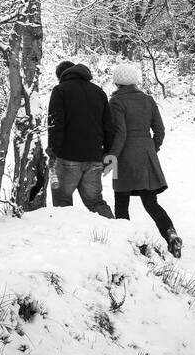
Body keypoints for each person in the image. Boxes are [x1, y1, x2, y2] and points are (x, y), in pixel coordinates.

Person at [108, 61, 182, 257]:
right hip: (147, 154)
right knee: (150, 202)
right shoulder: (148, 100)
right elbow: (160, 130)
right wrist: (152, 148)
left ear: (117, 83)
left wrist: (111, 156)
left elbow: (120, 133)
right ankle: (171, 235)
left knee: (121, 201)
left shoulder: (115, 102)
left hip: (123, 154)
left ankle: (128, 246)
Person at [46, 59, 117, 216]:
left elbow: (56, 123)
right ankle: (113, 234)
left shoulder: (60, 90)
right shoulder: (99, 92)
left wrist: (53, 151)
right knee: (96, 202)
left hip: (67, 157)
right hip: (94, 158)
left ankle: (65, 237)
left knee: (62, 203)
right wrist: (106, 152)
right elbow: (108, 127)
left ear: (61, 76)